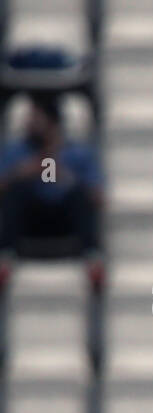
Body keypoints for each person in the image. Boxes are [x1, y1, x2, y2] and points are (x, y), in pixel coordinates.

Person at [0, 93, 103, 284]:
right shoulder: (17, 151)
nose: (28, 123)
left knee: (78, 196)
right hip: (30, 221)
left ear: (51, 122)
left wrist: (67, 177)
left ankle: (93, 259)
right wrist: (21, 173)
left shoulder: (77, 153)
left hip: (64, 219)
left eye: (34, 117)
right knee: (16, 193)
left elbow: (97, 197)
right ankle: (5, 258)